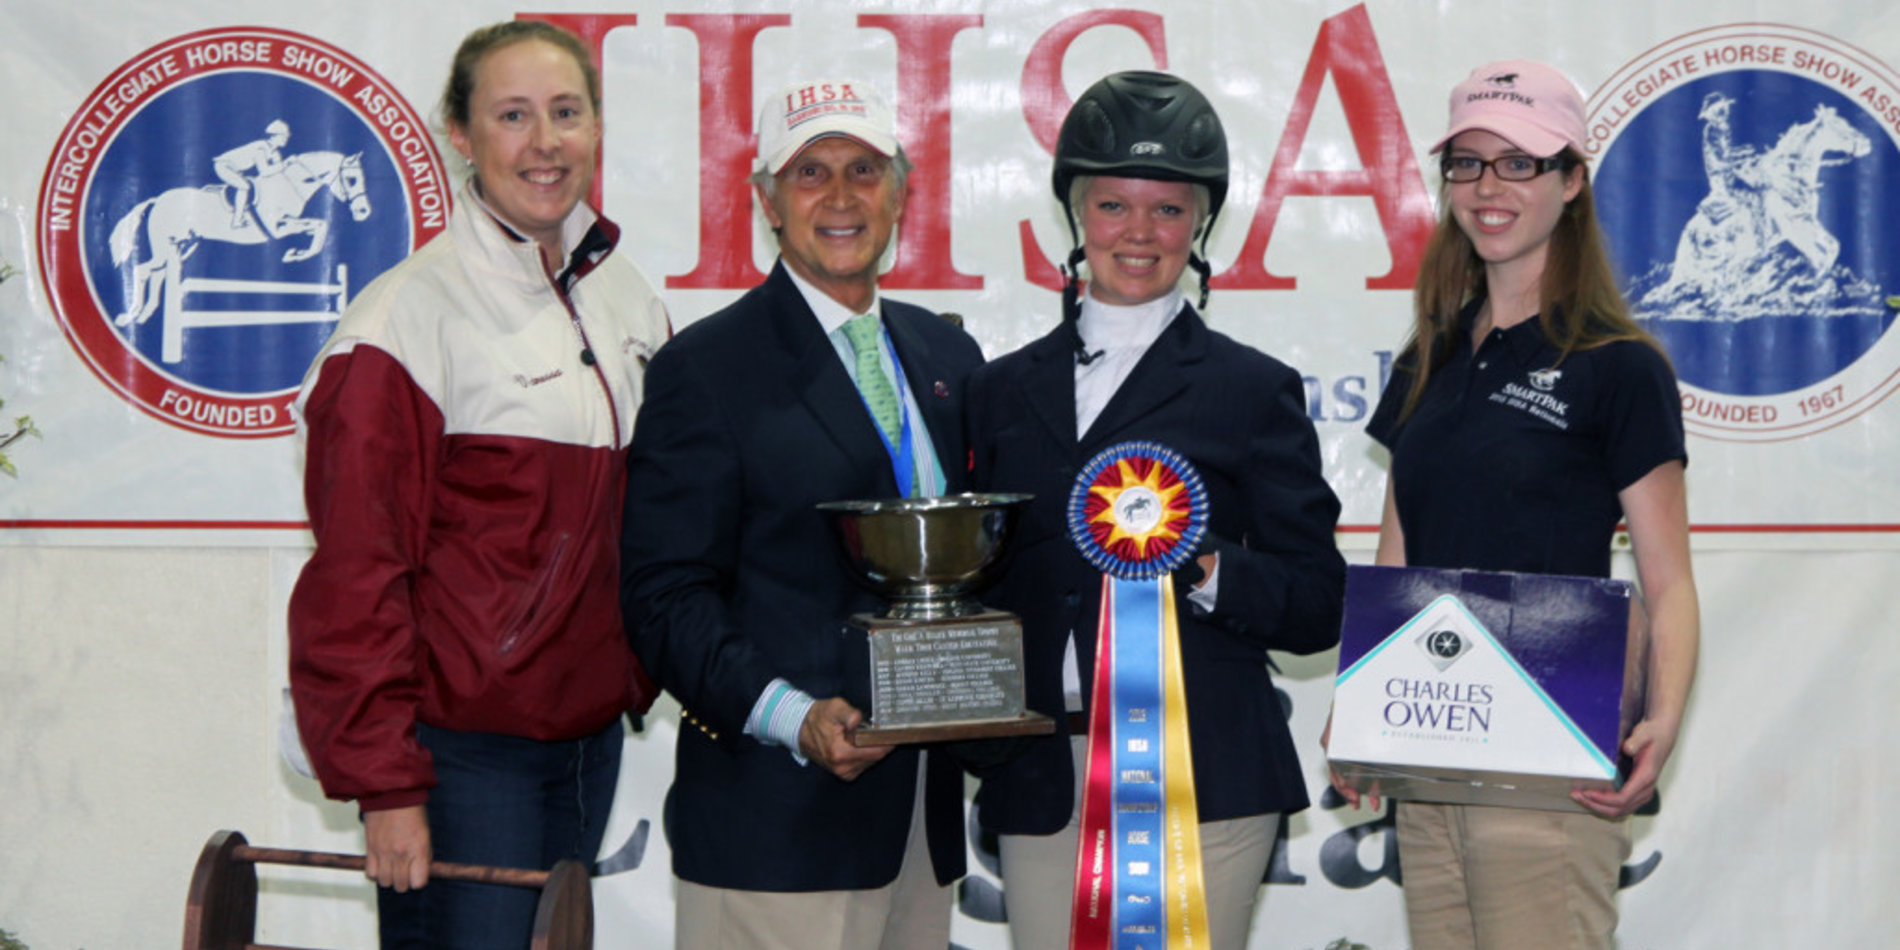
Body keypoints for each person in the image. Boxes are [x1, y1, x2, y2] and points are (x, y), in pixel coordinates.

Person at [287, 21, 670, 949]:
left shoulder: (628, 299)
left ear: (595, 128)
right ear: (460, 134)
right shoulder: (404, 320)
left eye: (566, 113)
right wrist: (388, 785)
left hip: (587, 742)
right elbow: (355, 574)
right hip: (460, 755)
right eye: (512, 115)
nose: (545, 143)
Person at [965, 70, 1347, 950]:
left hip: (1199, 777)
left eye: (1169, 210)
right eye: (1113, 206)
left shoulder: (1255, 391)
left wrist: (1201, 564)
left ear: (1201, 225)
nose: (1139, 233)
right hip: (1040, 780)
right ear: (1075, 215)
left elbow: (1316, 603)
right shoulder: (996, 390)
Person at [1337, 59, 1701, 950]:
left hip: (1553, 751)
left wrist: (1661, 718)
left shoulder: (1619, 365)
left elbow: (1670, 578)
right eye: (1467, 162)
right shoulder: (1432, 351)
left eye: (1520, 162)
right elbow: (1399, 558)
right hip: (1432, 754)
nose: (1488, 187)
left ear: (1572, 181)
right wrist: (1364, 717)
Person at [619, 77, 981, 950]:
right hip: (773, 829)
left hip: (919, 833)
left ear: (901, 191)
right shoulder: (705, 368)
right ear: (766, 202)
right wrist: (793, 716)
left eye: (865, 168)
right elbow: (664, 595)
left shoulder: (946, 353)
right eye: (811, 172)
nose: (843, 196)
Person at [215, 118, 290, 228]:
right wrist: (285, 164)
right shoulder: (260, 148)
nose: (286, 138)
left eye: (286, 136)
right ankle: (237, 221)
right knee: (244, 186)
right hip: (223, 166)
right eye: (283, 136)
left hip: (235, 170)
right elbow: (264, 171)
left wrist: (283, 164)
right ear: (274, 136)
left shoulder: (274, 152)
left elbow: (277, 172)